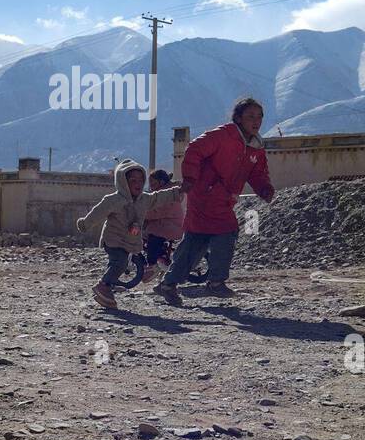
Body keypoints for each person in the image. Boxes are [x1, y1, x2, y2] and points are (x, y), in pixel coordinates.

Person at [153, 97, 275, 306]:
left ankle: (168, 284)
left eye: (259, 117)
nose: (256, 121)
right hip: (205, 195)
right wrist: (190, 178)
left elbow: (257, 172)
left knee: (195, 242)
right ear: (238, 118)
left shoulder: (255, 146)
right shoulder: (223, 135)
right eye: (251, 117)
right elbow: (194, 149)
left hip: (222, 198)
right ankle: (216, 282)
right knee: (226, 231)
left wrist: (264, 188)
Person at [76, 159, 184, 309]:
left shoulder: (144, 199)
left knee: (118, 264)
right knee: (119, 263)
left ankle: (106, 291)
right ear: (122, 181)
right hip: (113, 240)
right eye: (132, 180)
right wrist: (85, 224)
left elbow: (158, 198)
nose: (137, 183)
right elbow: (97, 213)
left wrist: (177, 192)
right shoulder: (114, 200)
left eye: (140, 180)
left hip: (128, 241)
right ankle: (103, 286)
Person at [140, 169, 183, 284]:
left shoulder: (167, 194)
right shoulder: (162, 193)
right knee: (149, 234)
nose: (152, 187)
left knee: (153, 238)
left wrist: (143, 215)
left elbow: (157, 211)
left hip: (171, 225)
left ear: (162, 182)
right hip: (164, 223)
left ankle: (153, 265)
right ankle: (160, 258)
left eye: (153, 184)